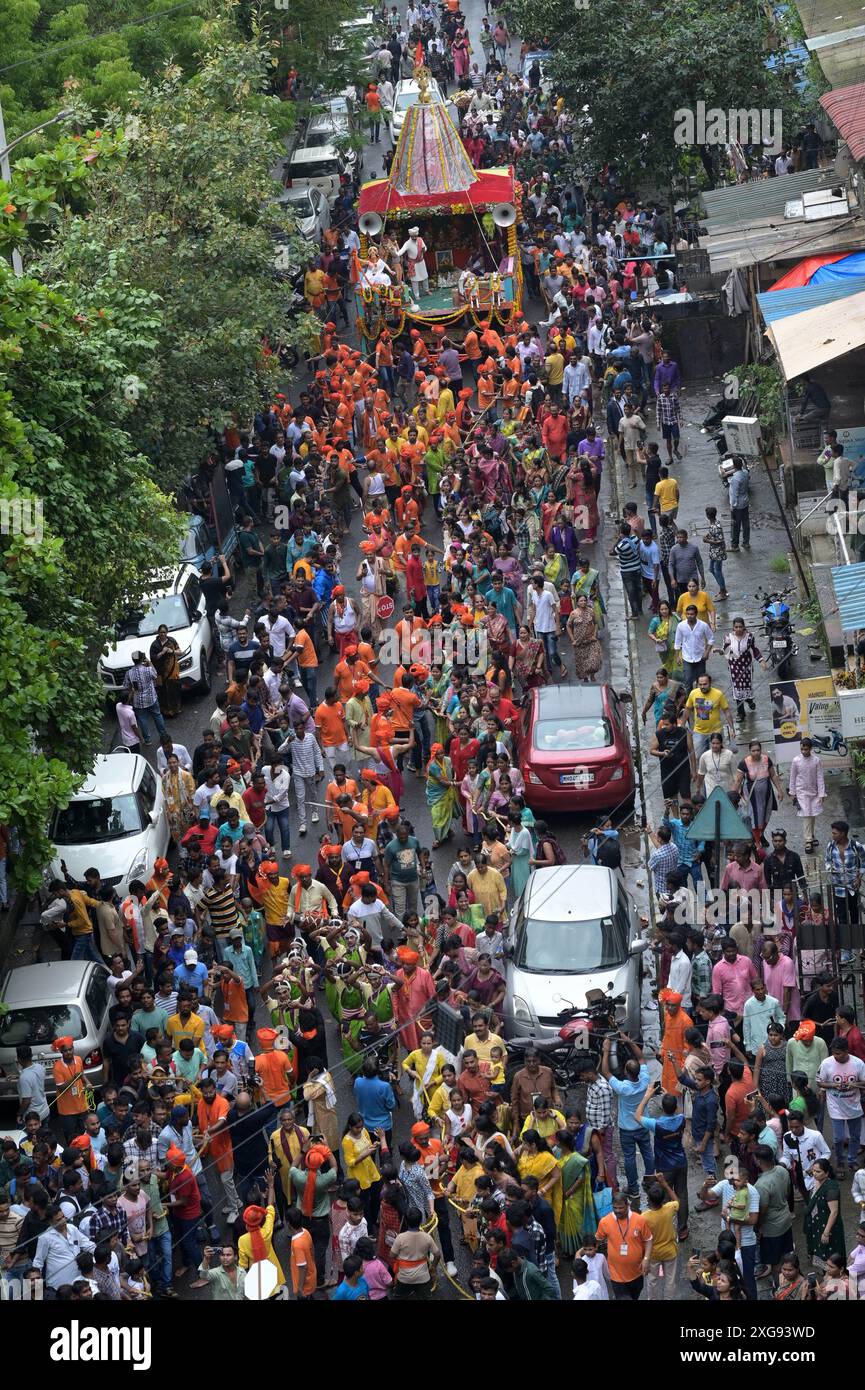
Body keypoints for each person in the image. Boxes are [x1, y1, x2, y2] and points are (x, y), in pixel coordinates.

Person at [817, 1034, 865, 1177]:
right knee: (838, 1138)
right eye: (833, 1053)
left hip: (853, 1105)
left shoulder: (858, 1063)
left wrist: (854, 1084)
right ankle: (840, 1162)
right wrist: (833, 1085)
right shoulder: (826, 1063)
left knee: (855, 1136)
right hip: (835, 1106)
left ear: (846, 1051)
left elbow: (864, 1082)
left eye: (838, 1053)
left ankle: (852, 1160)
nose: (835, 1056)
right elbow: (820, 1082)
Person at [595, 1191, 653, 1301]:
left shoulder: (639, 1220)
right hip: (616, 1275)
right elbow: (597, 1239)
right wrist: (586, 1251)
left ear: (628, 1205)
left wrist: (646, 1258)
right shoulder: (605, 1222)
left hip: (636, 1273)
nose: (617, 1211)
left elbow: (648, 1239)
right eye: (615, 1208)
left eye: (621, 1208)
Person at [804, 1158, 846, 1265]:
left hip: (828, 1227)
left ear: (826, 1173)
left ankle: (834, 1279)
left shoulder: (831, 1187)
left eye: (818, 1172)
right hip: (817, 1225)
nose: (814, 1174)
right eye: (813, 1171)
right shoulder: (816, 1183)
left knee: (831, 1257)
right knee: (821, 1254)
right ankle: (825, 1277)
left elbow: (834, 1211)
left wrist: (826, 1233)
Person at [788, 740, 826, 852]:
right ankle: (808, 840)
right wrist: (792, 792)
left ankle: (812, 835)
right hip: (801, 792)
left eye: (806, 749)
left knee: (812, 814)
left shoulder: (816, 760)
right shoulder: (796, 761)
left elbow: (820, 777)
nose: (804, 751)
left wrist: (821, 793)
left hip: (814, 792)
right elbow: (792, 777)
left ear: (811, 749)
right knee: (807, 815)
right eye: (802, 749)